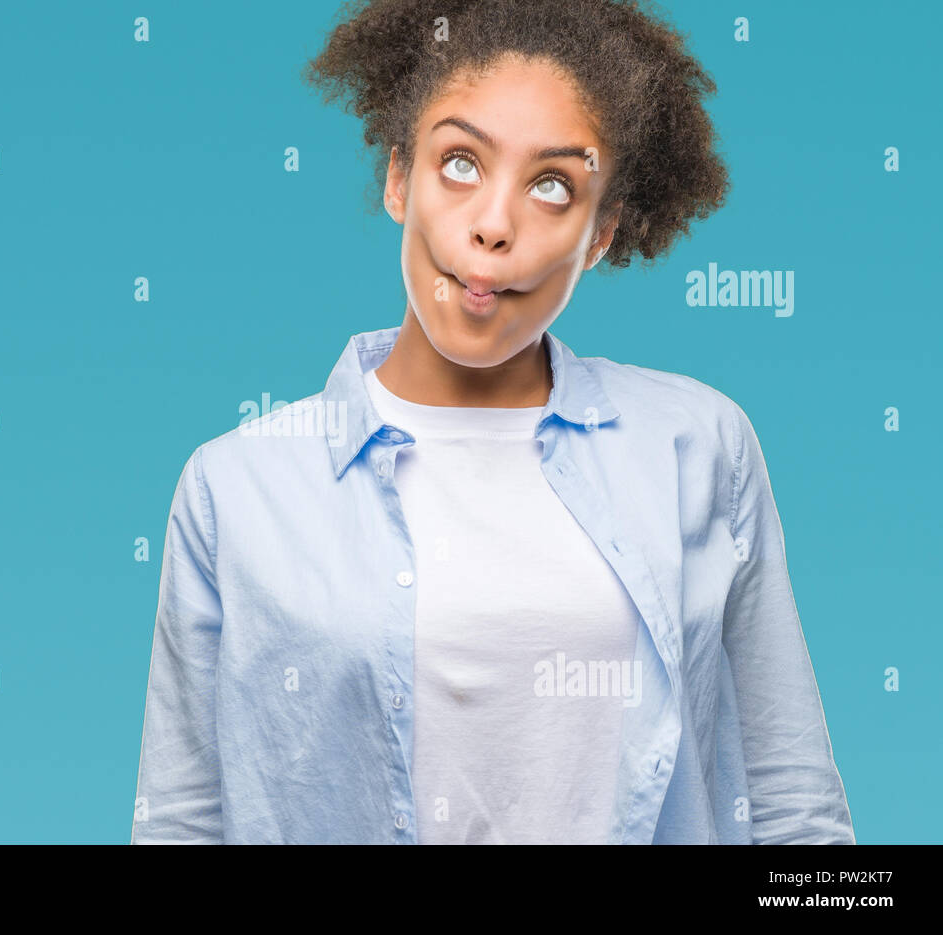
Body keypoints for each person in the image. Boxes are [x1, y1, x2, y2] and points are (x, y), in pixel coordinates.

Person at [130, 0, 855, 844]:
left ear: (600, 235)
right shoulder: (237, 485)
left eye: (553, 186)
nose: (493, 224)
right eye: (461, 162)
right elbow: (183, 821)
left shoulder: (699, 446)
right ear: (398, 179)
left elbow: (792, 804)